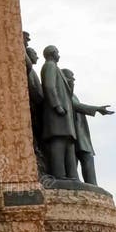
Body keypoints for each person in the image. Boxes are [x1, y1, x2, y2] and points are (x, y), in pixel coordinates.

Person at [62, 69, 114, 185]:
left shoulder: (71, 94)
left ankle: (91, 184)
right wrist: (97, 109)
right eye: (70, 77)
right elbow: (76, 106)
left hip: (80, 132)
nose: (73, 80)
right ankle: (81, 183)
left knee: (85, 157)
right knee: (79, 159)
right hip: (74, 132)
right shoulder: (64, 92)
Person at [40, 45, 78, 180]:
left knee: (67, 143)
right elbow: (49, 86)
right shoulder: (50, 66)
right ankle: (59, 175)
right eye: (57, 52)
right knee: (58, 142)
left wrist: (70, 85)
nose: (59, 55)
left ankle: (72, 176)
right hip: (57, 113)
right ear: (53, 53)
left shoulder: (55, 68)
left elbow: (66, 94)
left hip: (64, 115)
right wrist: (56, 106)